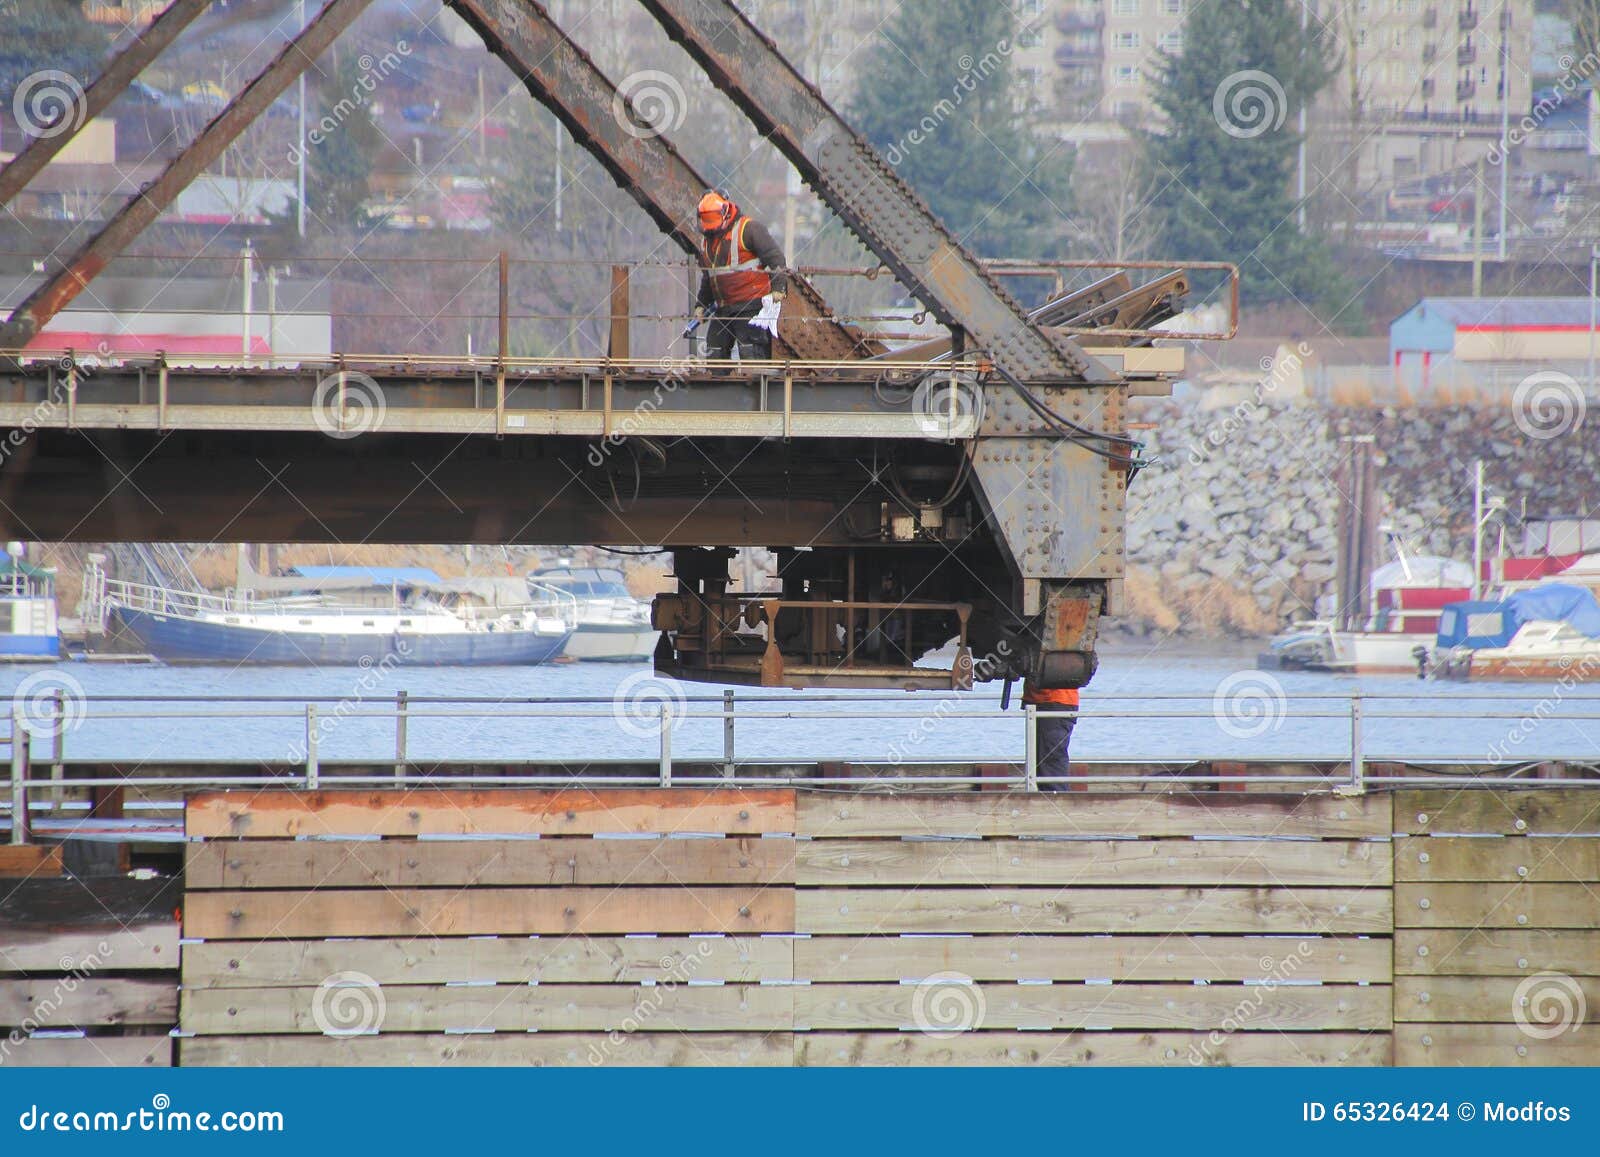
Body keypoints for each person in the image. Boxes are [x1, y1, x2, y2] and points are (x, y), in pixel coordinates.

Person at [694, 190, 787, 362]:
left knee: (751, 353)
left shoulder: (749, 229)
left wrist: (779, 288)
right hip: (724, 308)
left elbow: (776, 258)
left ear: (726, 213)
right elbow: (710, 277)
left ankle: (755, 379)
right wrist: (701, 304)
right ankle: (717, 379)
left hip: (751, 306)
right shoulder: (706, 242)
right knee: (714, 351)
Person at [1023, 679, 1079, 790]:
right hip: (1042, 700)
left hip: (1054, 702)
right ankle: (1050, 796)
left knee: (1050, 759)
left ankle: (1056, 796)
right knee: (1040, 761)